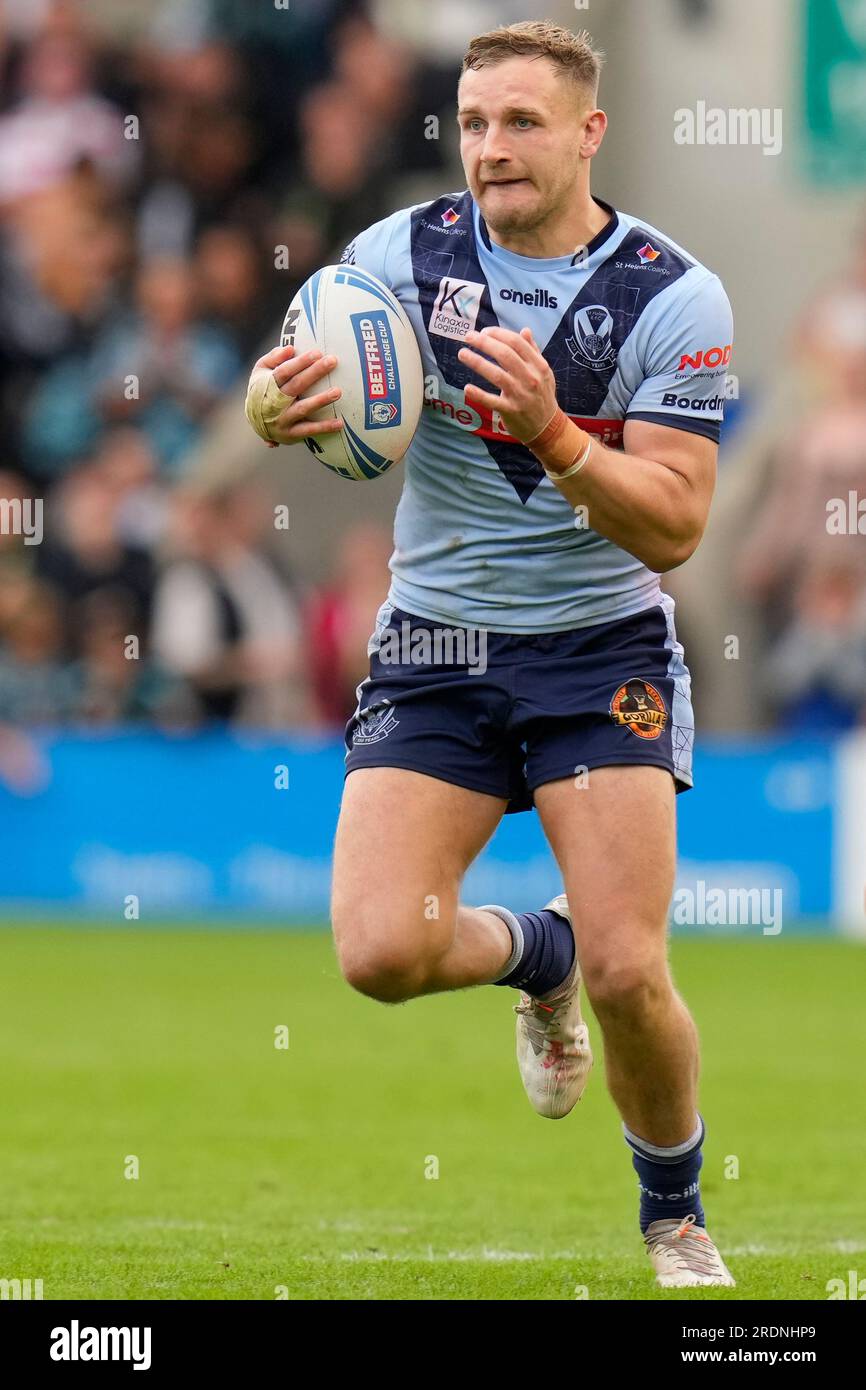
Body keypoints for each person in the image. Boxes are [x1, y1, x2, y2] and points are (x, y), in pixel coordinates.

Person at [244, 21, 734, 1288]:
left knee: (632, 968)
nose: (490, 148)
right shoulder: (397, 255)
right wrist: (271, 403)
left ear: (587, 132)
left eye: (520, 122)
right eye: (471, 123)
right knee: (377, 954)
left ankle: (673, 1219)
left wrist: (559, 436)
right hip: (434, 646)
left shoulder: (673, 294)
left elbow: (676, 523)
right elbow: (306, 366)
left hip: (596, 647)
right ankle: (538, 953)